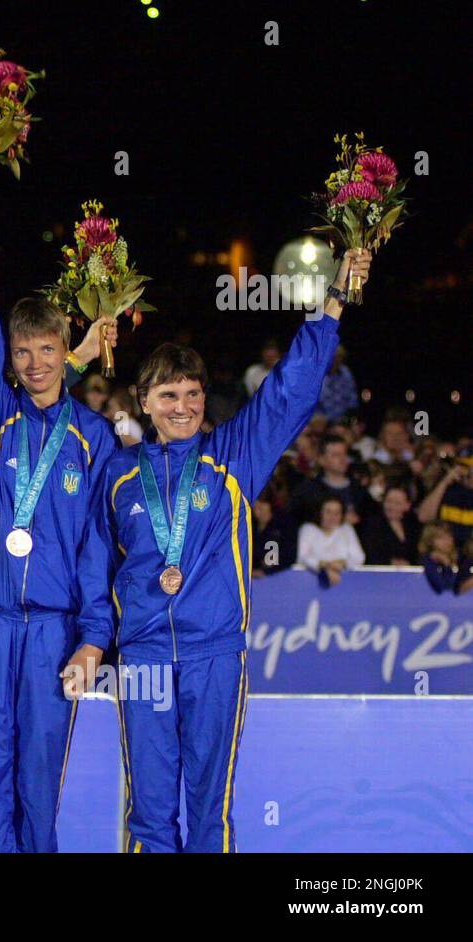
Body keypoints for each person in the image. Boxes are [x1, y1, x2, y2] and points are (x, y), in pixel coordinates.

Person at [90, 244, 371, 852]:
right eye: (168, 397)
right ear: (144, 403)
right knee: (149, 813)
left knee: (209, 809)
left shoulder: (233, 460)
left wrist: (334, 301)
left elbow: (291, 390)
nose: (183, 407)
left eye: (192, 395)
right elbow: (96, 567)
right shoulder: (116, 476)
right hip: (140, 658)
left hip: (215, 653)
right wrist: (94, 640)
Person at [0, 153, 119, 853]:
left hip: (52, 630)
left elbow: (98, 549)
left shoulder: (94, 438)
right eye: (23, 352)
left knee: (39, 784)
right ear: (9, 358)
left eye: (48, 349)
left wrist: (94, 637)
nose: (36, 363)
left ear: (65, 347)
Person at [288, 434, 371, 525]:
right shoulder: (308, 490)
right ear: (321, 460)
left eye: (345, 454)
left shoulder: (359, 488)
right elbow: (295, 518)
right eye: (336, 455)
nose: (343, 459)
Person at [296, 496, 365, 586]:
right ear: (320, 512)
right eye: (328, 512)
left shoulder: (347, 529)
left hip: (344, 583)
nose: (332, 517)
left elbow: (359, 557)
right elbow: (302, 557)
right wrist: (325, 566)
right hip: (308, 583)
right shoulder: (308, 529)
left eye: (337, 513)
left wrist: (342, 563)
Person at [417, 450, 473, 546]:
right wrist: (445, 482)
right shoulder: (447, 488)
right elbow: (423, 517)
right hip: (443, 551)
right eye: (463, 466)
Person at [359, 484, 421, 566]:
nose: (392, 506)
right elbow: (370, 554)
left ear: (407, 505)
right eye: (389, 501)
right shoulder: (372, 524)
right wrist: (390, 563)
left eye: (397, 503)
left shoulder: (413, 525)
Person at [251, 488, 297, 577]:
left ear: (270, 504)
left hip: (279, 578)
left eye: (261, 506)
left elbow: (289, 555)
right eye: (254, 506)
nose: (257, 511)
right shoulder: (249, 524)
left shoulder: (285, 524)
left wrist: (267, 571)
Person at [419, 523, 473, 595]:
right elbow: (445, 589)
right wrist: (447, 565)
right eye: (440, 537)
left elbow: (463, 582)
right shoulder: (428, 560)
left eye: (449, 536)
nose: (447, 540)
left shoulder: (461, 557)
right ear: (430, 541)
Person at [318, 345, 357, 420]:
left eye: (340, 357)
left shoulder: (346, 373)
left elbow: (352, 401)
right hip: (318, 420)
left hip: (341, 421)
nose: (337, 360)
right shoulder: (318, 374)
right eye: (335, 357)